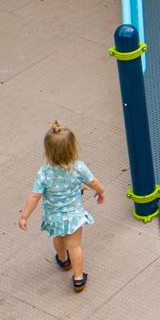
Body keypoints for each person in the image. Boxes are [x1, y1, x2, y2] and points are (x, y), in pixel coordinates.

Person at [18, 121, 106, 292]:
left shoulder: (44, 173)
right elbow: (93, 182)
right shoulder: (78, 167)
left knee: (58, 238)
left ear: (47, 152)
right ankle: (78, 278)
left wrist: (24, 216)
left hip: (54, 217)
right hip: (74, 217)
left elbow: (35, 196)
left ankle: (63, 260)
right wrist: (101, 191)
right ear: (73, 148)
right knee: (75, 246)